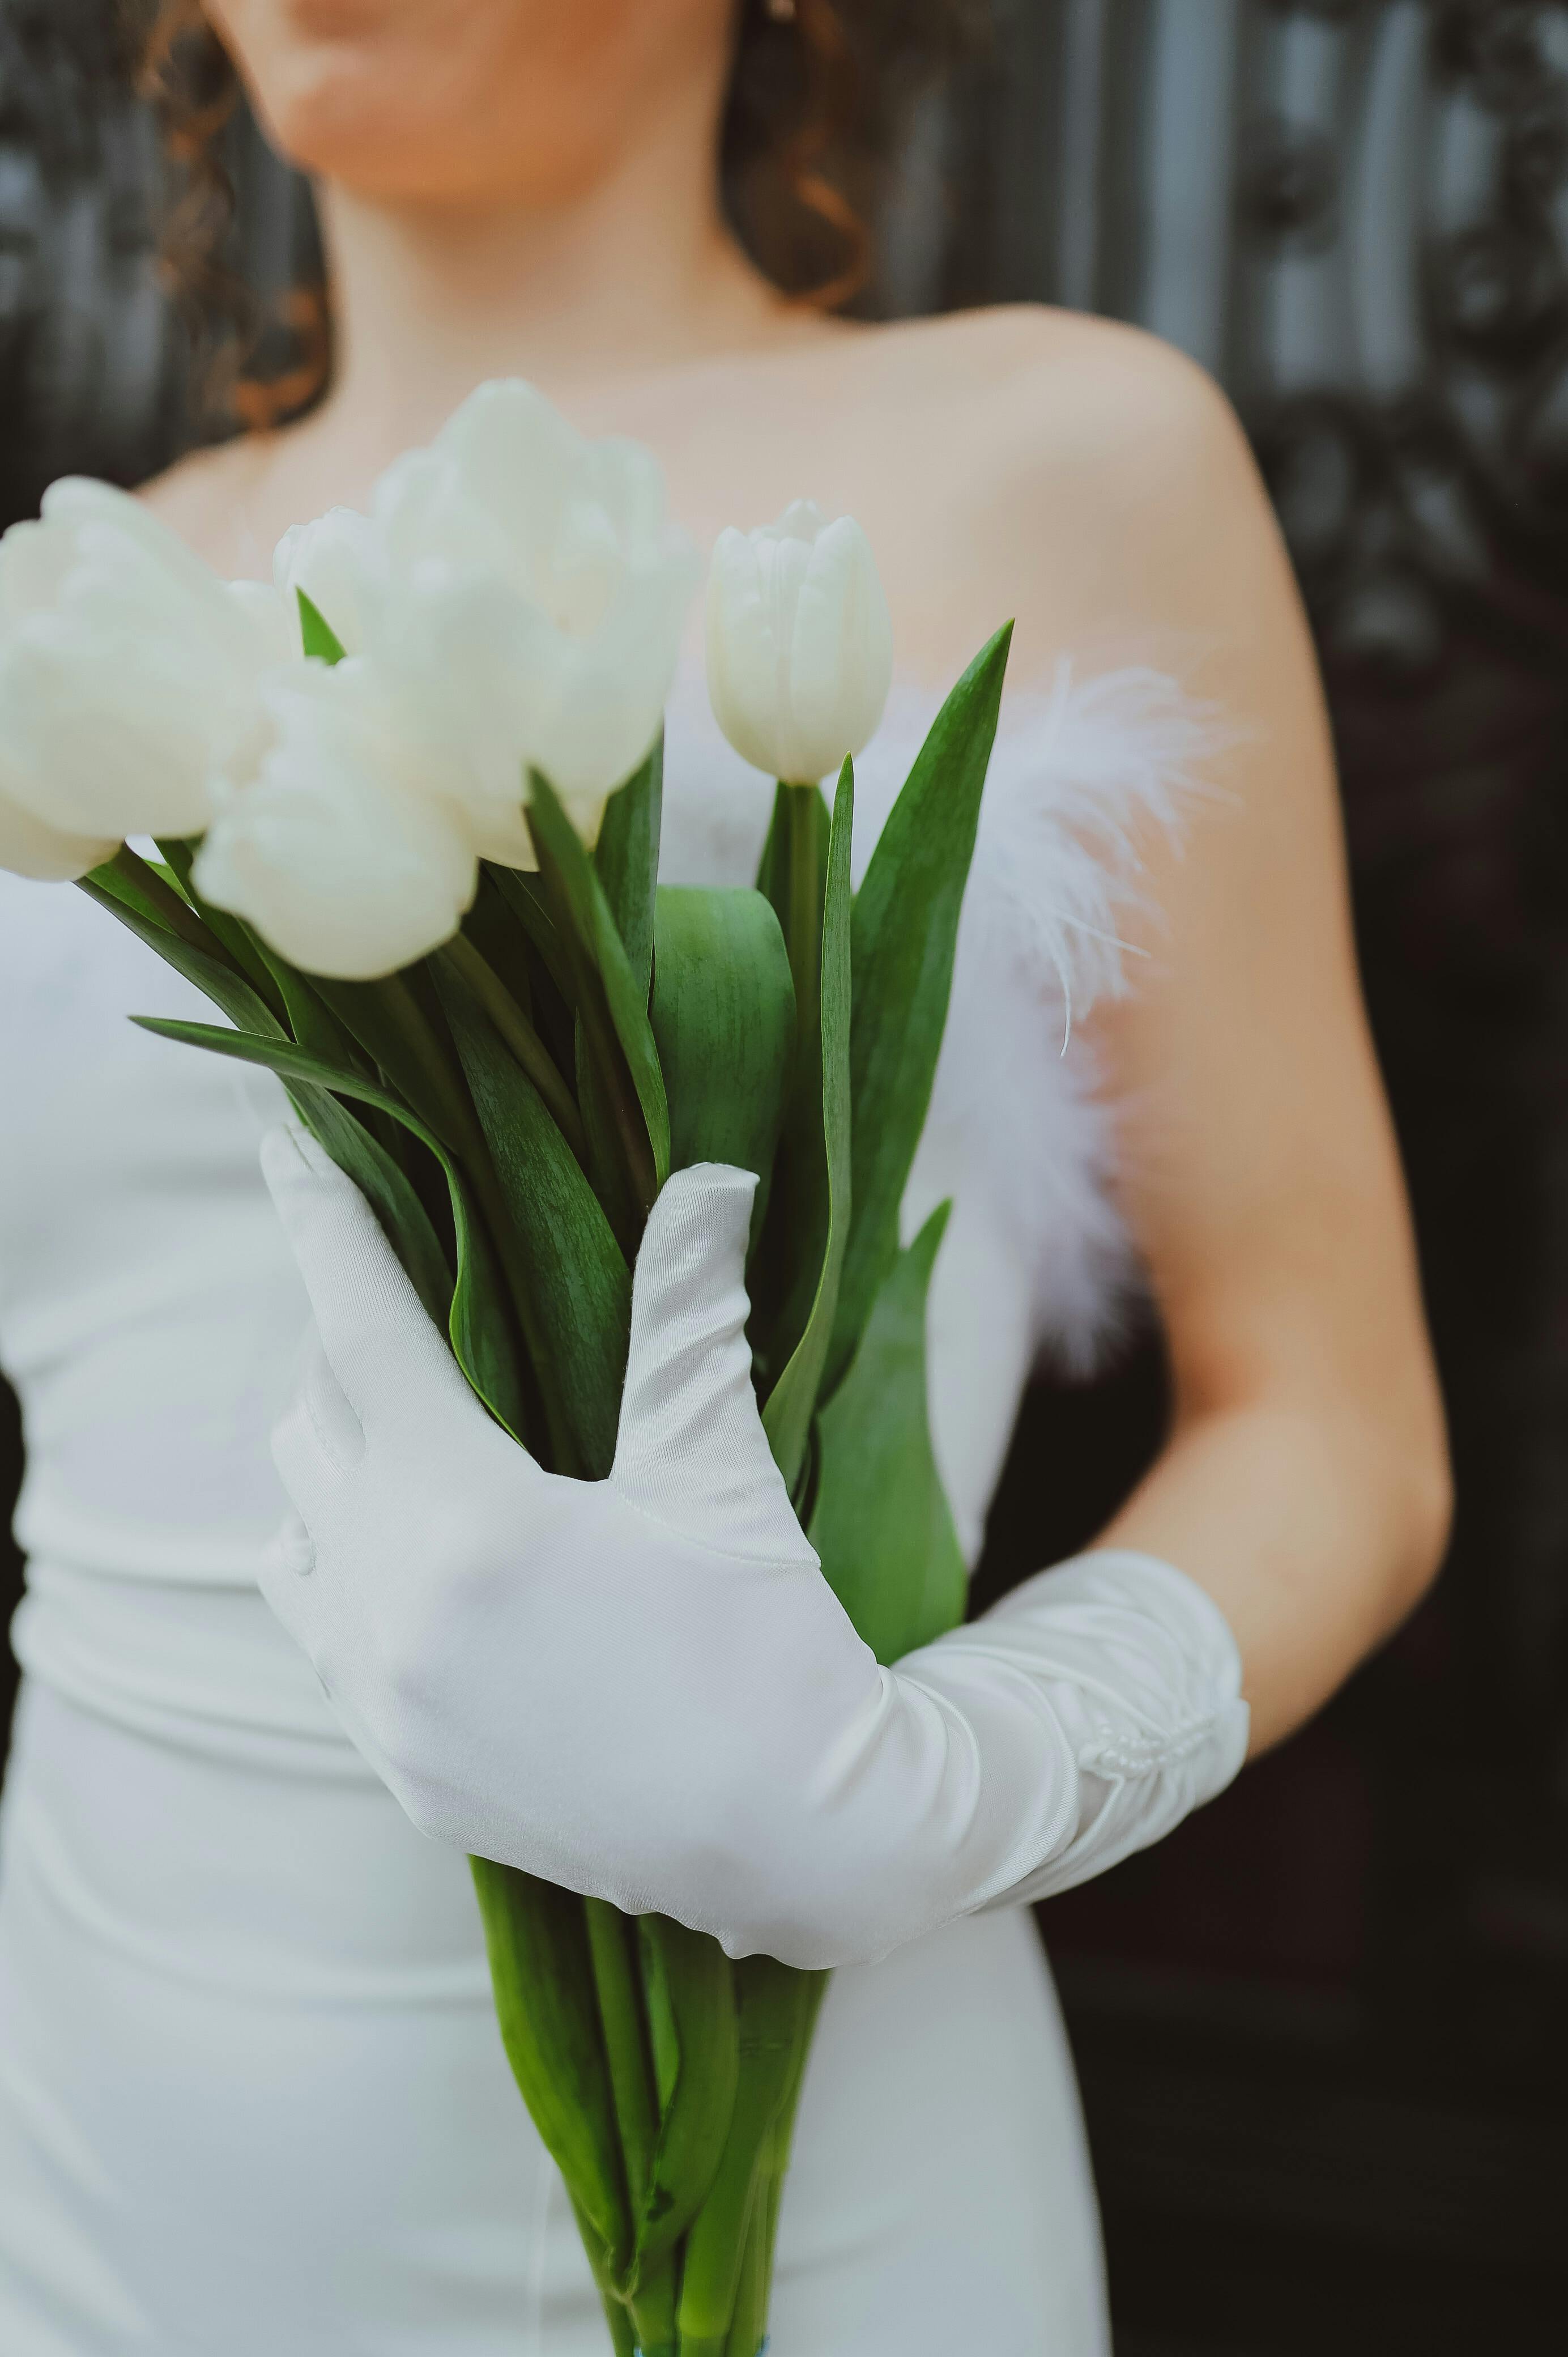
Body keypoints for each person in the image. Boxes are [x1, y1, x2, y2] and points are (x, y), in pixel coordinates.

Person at [0, 3, 1451, 2351]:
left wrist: (951, 1774)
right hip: (88, 2178)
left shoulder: (1045, 454)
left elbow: (1336, 1420)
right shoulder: (82, 612)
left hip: (809, 2203)